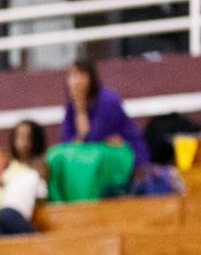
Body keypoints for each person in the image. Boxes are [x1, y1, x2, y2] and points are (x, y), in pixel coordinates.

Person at [46, 57, 147, 202]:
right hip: (90, 150)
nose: (76, 81)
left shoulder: (107, 99)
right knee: (54, 156)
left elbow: (93, 137)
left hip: (122, 152)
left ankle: (87, 204)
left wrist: (80, 110)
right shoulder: (71, 104)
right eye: (72, 76)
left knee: (90, 160)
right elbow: (66, 139)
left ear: (91, 77)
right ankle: (60, 204)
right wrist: (78, 108)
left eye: (81, 75)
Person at [0, 119, 47, 236]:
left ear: (36, 140)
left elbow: (41, 194)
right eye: (20, 136)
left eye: (28, 137)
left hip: (13, 212)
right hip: (3, 212)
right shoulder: (8, 164)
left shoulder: (39, 167)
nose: (23, 142)